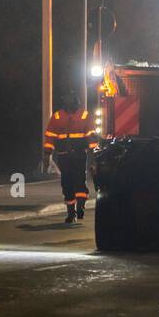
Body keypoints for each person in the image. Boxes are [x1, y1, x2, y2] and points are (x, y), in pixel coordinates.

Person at [43, 92, 98, 224]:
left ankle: (80, 207)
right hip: (64, 155)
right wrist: (47, 153)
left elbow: (91, 135)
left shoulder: (84, 116)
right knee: (67, 183)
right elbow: (50, 136)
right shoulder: (57, 117)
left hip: (78, 154)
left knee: (79, 180)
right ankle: (71, 212)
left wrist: (92, 153)